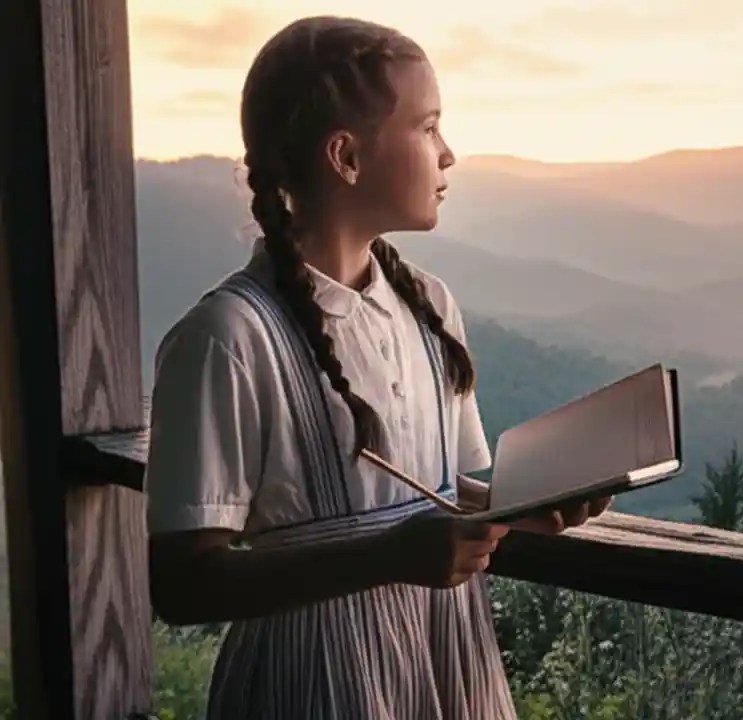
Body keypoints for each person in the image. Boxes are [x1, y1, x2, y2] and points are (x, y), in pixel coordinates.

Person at [144, 15, 609, 719]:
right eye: (427, 127)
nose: (448, 154)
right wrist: (387, 558)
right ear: (347, 157)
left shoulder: (429, 308)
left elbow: (439, 492)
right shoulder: (228, 338)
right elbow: (182, 585)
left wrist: (523, 503)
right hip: (310, 678)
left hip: (443, 652)